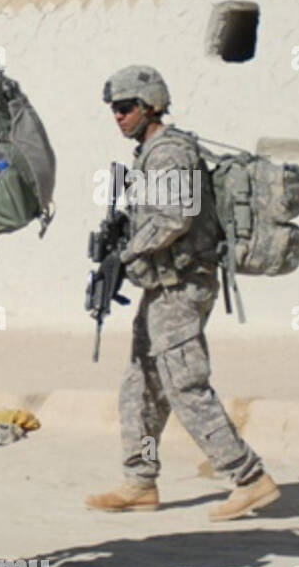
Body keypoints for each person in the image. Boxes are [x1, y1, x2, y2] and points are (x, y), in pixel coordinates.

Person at [86, 65, 279, 520]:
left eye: (125, 107)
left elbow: (174, 218)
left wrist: (127, 253)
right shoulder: (149, 153)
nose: (118, 116)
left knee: (184, 384)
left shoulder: (171, 152)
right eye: (113, 109)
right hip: (162, 287)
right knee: (142, 386)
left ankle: (249, 476)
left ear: (150, 104)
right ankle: (140, 478)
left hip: (183, 286)